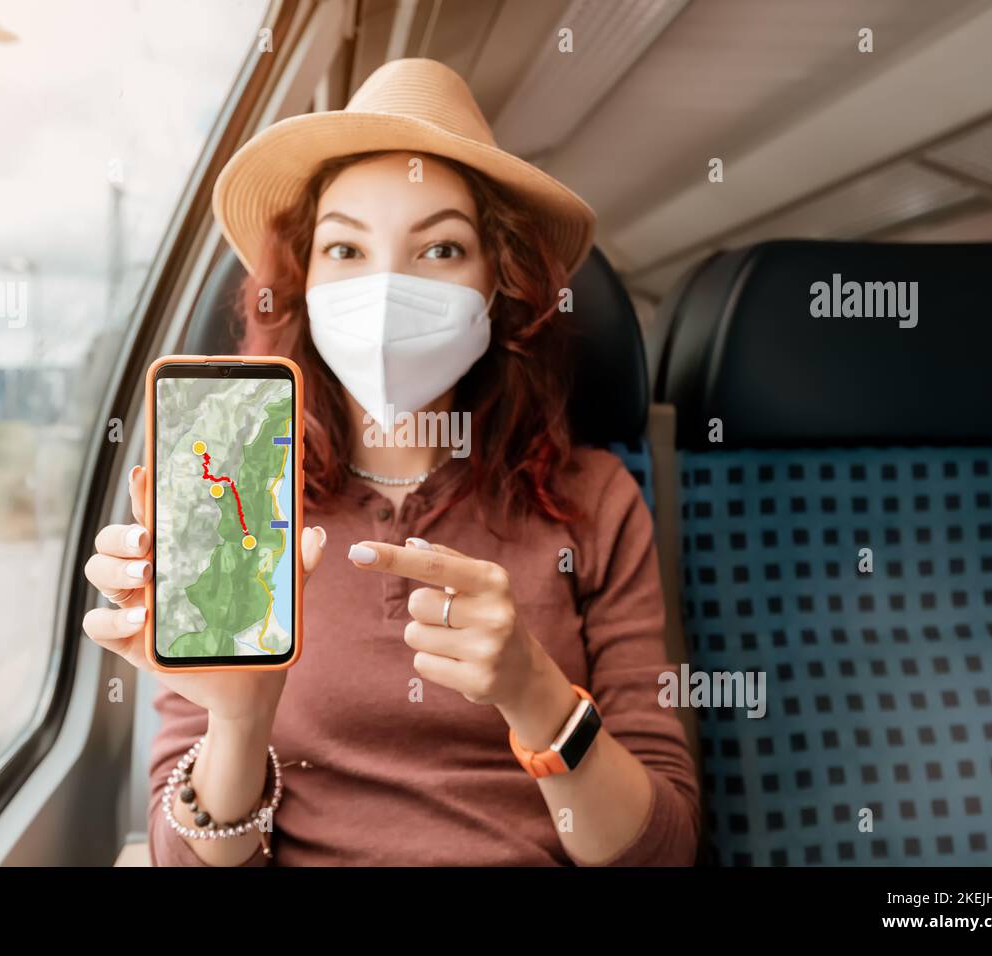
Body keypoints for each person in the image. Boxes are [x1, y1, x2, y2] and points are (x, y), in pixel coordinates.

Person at [82, 58, 698, 866]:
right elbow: (187, 860)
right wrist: (238, 721)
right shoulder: (234, 497)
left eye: (440, 249)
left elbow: (664, 851)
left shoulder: (597, 500)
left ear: (497, 289)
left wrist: (534, 692)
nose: (384, 289)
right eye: (345, 249)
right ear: (303, 284)